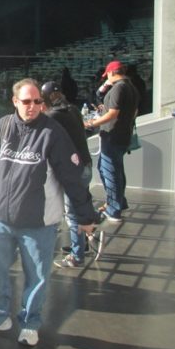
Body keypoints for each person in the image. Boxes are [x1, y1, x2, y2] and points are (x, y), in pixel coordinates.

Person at [0, 78, 98, 347]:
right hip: (0, 219)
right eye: (26, 102)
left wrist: (86, 217)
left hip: (38, 223)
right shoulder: (3, 126)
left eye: (37, 101)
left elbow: (72, 178)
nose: (32, 107)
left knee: (37, 278)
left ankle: (30, 324)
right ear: (15, 102)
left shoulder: (53, 132)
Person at [41, 81, 100, 268]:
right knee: (82, 204)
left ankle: (77, 256)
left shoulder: (52, 117)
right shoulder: (73, 110)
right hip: (86, 166)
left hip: (74, 171)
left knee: (73, 214)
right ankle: (83, 244)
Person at [84, 61, 140, 222]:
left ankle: (113, 209)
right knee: (115, 170)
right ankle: (118, 202)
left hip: (112, 135)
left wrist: (92, 123)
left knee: (109, 171)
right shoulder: (131, 87)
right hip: (122, 135)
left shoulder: (119, 88)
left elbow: (113, 113)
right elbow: (133, 111)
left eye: (107, 75)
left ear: (111, 73)